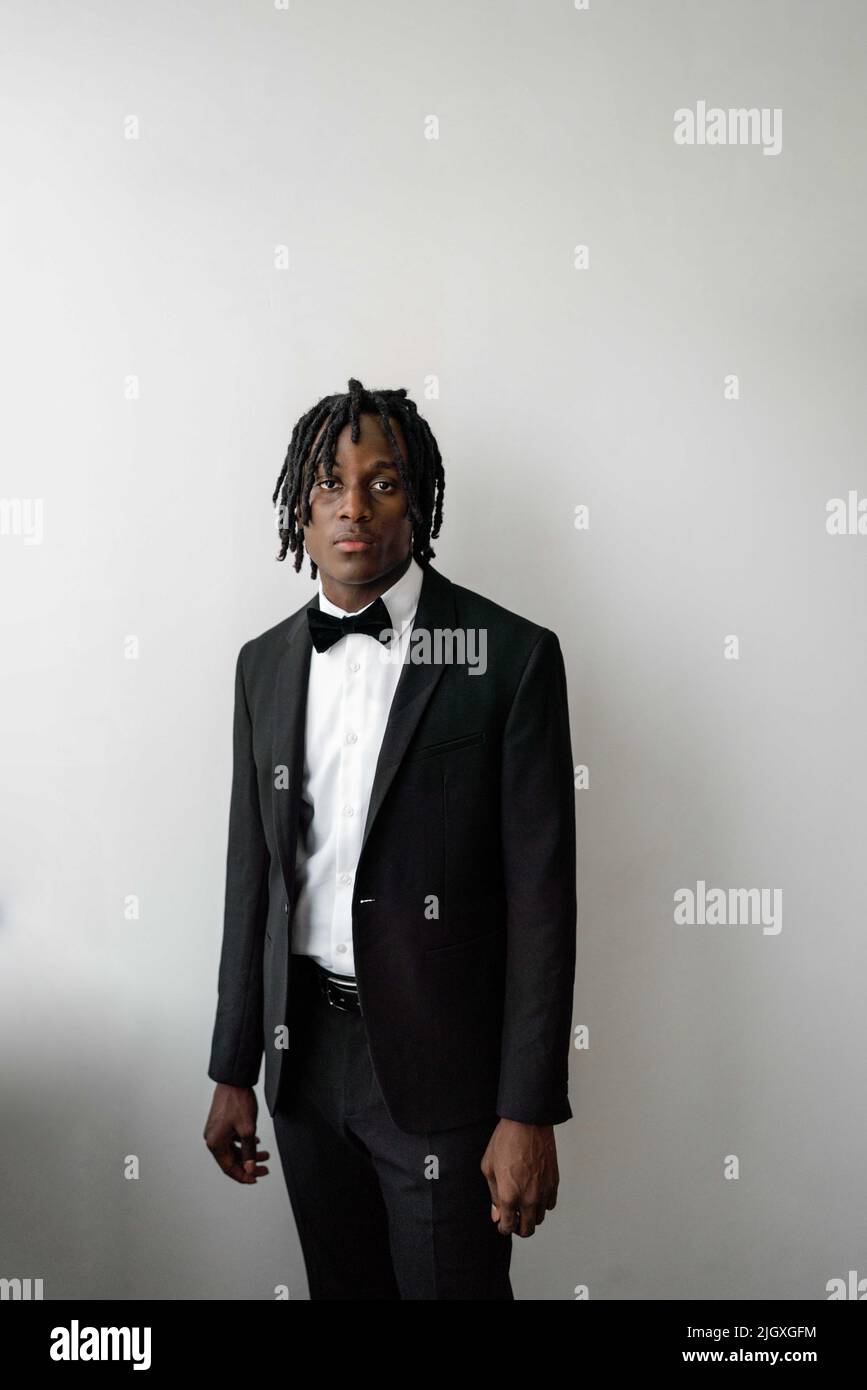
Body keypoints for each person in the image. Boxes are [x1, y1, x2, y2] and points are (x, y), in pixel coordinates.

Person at [203, 377, 577, 1299]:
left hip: (443, 1076)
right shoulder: (263, 664)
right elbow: (251, 879)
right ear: (302, 503)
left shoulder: (508, 655)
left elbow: (542, 901)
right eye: (330, 484)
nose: (353, 508)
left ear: (420, 499)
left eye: (384, 482)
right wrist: (231, 1066)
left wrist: (527, 1110)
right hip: (301, 1065)